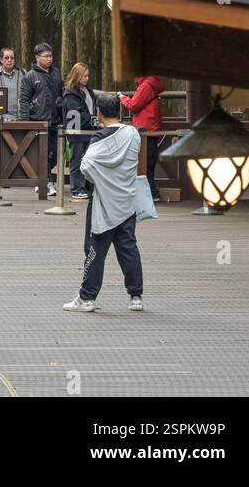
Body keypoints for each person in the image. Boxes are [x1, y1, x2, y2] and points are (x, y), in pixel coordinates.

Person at [63, 93, 145, 313]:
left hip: (103, 202)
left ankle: (87, 297)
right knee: (128, 248)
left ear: (98, 112)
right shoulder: (133, 134)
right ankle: (135, 295)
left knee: (95, 249)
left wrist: (101, 179)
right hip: (127, 201)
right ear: (119, 110)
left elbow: (86, 165)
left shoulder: (100, 138)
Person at [20, 42, 63, 196]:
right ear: (37, 57)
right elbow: (24, 99)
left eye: (51, 56)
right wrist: (25, 122)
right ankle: (45, 182)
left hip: (55, 119)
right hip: (37, 119)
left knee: (54, 153)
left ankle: (46, 179)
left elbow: (61, 92)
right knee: (41, 153)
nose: (49, 59)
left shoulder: (56, 73)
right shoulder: (30, 76)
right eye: (46, 56)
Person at [120, 75, 165, 202]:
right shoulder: (152, 83)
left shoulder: (146, 86)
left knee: (145, 162)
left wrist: (122, 98)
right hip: (151, 128)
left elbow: (134, 105)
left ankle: (151, 193)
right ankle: (151, 192)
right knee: (148, 162)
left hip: (145, 129)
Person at [61, 62, 97, 199]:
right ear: (77, 76)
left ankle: (87, 187)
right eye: (84, 76)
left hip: (89, 130)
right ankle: (77, 188)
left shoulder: (89, 90)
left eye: (88, 76)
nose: (87, 79)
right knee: (77, 160)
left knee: (88, 159)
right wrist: (93, 119)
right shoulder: (70, 93)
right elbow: (75, 113)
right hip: (76, 131)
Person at [0, 47, 24, 121]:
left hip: (20, 119)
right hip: (0, 121)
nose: (9, 60)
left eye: (12, 58)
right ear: (1, 60)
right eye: (6, 58)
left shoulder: (23, 74)